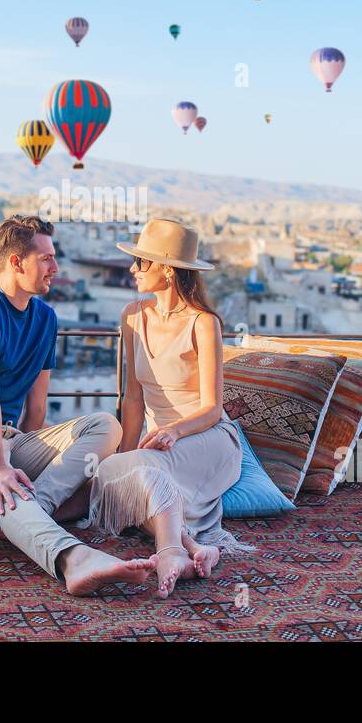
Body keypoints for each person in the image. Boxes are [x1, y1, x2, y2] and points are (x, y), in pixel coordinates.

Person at [0, 214, 156, 596]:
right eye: (45, 258)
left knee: (105, 427)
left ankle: (32, 507)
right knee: (8, 487)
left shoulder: (45, 318)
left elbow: (38, 408)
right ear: (16, 262)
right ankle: (73, 560)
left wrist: (17, 461)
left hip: (7, 436)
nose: (55, 268)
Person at [86, 217, 246, 598]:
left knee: (146, 474)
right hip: (157, 446)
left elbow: (212, 407)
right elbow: (133, 400)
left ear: (168, 271)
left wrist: (175, 431)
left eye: (141, 262)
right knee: (120, 477)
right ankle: (193, 549)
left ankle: (171, 550)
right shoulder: (132, 316)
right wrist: (124, 462)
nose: (132, 268)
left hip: (207, 438)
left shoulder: (203, 324)